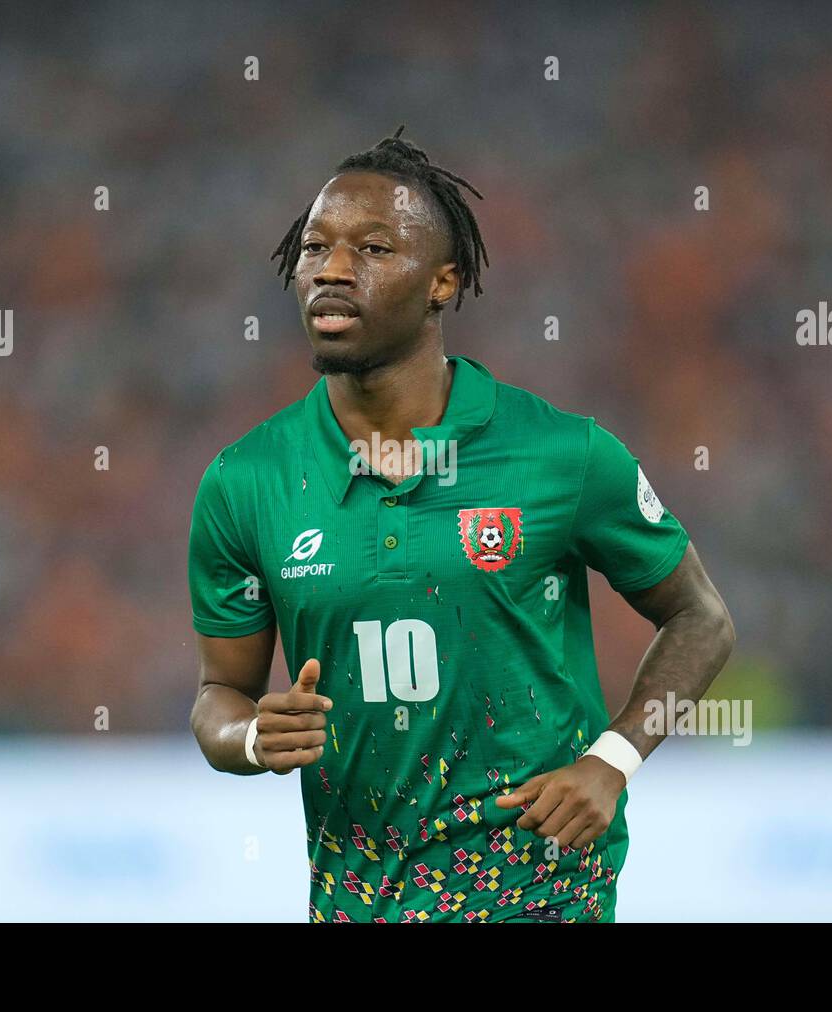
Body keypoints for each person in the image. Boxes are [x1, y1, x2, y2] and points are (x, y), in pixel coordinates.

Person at [189, 127, 735, 923]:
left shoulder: (563, 455)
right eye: (315, 247)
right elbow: (219, 696)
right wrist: (251, 739)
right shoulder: (246, 483)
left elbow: (701, 618)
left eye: (374, 249)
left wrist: (612, 761)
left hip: (542, 891)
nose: (333, 270)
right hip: (358, 898)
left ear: (443, 282)